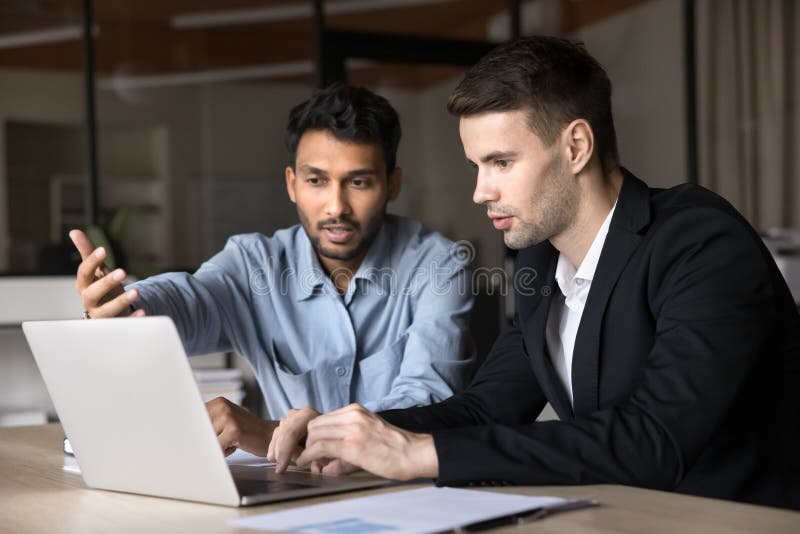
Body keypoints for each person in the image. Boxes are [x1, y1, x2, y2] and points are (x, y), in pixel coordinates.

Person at [268, 37, 800, 510]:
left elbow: (653, 439)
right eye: (477, 166)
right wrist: (347, 432)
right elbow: (487, 407)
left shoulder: (701, 243)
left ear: (575, 147)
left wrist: (418, 453)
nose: (481, 191)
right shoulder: (541, 261)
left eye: (501, 163)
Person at [69, 84, 475, 458]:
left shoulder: (439, 266)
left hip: (406, 494)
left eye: (359, 182)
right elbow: (192, 299)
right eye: (316, 180)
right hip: (291, 489)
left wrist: (286, 433)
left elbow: (426, 400)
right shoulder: (254, 265)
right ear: (292, 184)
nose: (336, 206)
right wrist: (123, 308)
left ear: (392, 184)